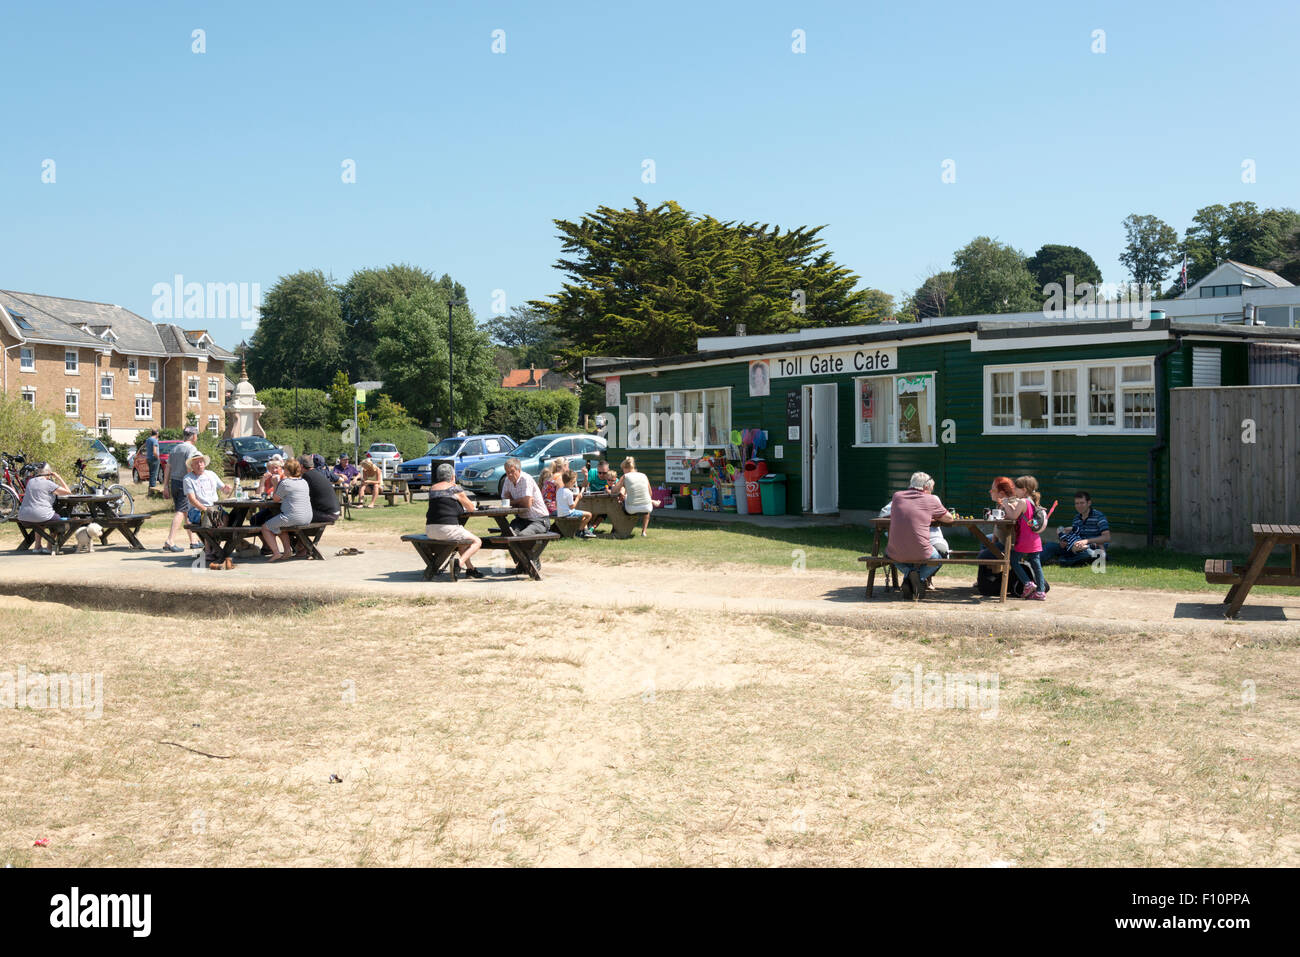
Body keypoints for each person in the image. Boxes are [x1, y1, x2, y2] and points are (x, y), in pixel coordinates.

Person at [885, 471, 955, 601]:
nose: (931, 492)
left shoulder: (897, 497)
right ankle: (919, 577)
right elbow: (949, 519)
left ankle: (908, 576)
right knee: (939, 559)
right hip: (922, 551)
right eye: (931, 489)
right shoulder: (931, 499)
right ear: (926, 488)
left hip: (895, 552)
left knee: (890, 555)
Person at [425, 462, 484, 577]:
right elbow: (471, 508)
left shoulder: (432, 489)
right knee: (477, 541)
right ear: (453, 476)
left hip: (430, 530)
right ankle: (459, 564)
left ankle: (470, 569)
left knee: (462, 543)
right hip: (447, 529)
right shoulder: (454, 488)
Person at [183, 453, 233, 563]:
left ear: (204, 463)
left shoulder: (211, 474)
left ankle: (216, 545)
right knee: (209, 517)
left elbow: (223, 489)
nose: (199, 464)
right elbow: (192, 500)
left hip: (215, 507)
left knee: (226, 518)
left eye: (201, 462)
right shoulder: (188, 479)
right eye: (196, 463)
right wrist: (205, 510)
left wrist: (227, 488)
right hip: (196, 510)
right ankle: (209, 550)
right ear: (192, 465)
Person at [1003, 475, 1047, 600]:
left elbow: (1012, 516)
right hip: (1034, 539)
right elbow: (1019, 515)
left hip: (1025, 539)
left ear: (1024, 490)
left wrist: (1006, 504)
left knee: (1013, 559)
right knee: (1036, 565)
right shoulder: (1031, 501)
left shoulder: (1023, 501)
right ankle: (1040, 591)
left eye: (1016, 488)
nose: (1014, 491)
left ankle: (1028, 584)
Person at [260, 459, 313, 562]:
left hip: (293, 517)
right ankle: (287, 551)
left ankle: (276, 553)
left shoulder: (285, 482)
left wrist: (275, 484)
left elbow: (275, 499)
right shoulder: (304, 481)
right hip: (308, 516)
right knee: (279, 525)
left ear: (288, 470)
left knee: (265, 527)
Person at [1042, 491, 1110, 566]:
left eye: (1082, 503)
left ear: (1089, 503)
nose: (1079, 506)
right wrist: (1064, 542)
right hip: (1076, 546)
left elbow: (1106, 537)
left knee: (1087, 554)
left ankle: (1061, 561)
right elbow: (1073, 536)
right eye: (1077, 503)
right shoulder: (1076, 518)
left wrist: (1086, 541)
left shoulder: (1099, 516)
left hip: (1092, 547)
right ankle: (1034, 562)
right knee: (1050, 546)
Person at [16, 463, 71, 554]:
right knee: (59, 522)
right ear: (49, 473)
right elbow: (68, 491)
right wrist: (58, 477)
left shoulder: (30, 481)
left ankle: (37, 546)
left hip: (23, 516)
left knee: (40, 522)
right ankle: (49, 547)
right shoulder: (49, 483)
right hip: (40, 515)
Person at [161, 426, 200, 552]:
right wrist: (194, 483)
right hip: (184, 482)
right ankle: (170, 541)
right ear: (194, 436)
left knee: (185, 511)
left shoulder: (175, 448)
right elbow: (190, 467)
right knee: (180, 511)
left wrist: (165, 485)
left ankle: (193, 541)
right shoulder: (191, 449)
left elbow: (168, 467)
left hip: (174, 482)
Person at [500, 456, 550, 538]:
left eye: (512, 471)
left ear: (519, 470)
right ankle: (516, 551)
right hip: (521, 519)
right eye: (507, 472)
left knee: (522, 536)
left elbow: (527, 504)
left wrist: (512, 501)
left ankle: (524, 551)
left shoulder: (526, 479)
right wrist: (521, 500)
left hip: (539, 519)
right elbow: (504, 502)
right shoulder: (507, 480)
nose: (510, 475)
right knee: (507, 533)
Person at [611, 456, 654, 537]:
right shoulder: (644, 475)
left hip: (631, 509)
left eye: (623, 469)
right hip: (647, 507)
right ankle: (644, 532)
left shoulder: (625, 477)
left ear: (625, 468)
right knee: (646, 506)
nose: (623, 471)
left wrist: (619, 487)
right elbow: (650, 493)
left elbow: (614, 491)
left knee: (620, 502)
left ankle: (620, 528)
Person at [299, 454, 341, 524]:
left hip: (328, 514)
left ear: (301, 466)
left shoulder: (307, 476)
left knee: (295, 515)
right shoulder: (316, 473)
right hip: (334, 512)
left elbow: (300, 496)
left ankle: (288, 534)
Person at [556, 469, 596, 539]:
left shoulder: (559, 490)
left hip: (560, 513)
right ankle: (579, 531)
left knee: (583, 515)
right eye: (574, 482)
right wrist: (578, 498)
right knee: (589, 514)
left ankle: (585, 531)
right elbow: (572, 507)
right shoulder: (569, 493)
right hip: (568, 513)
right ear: (571, 481)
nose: (574, 483)